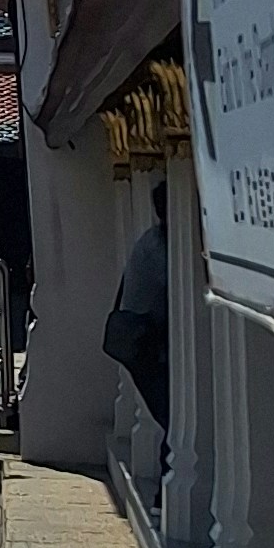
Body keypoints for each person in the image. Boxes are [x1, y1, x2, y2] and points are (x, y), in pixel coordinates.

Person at [105, 184, 171, 440]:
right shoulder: (157, 247)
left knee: (170, 417)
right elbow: (176, 283)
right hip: (143, 343)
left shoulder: (152, 240)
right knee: (172, 418)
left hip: (141, 340)